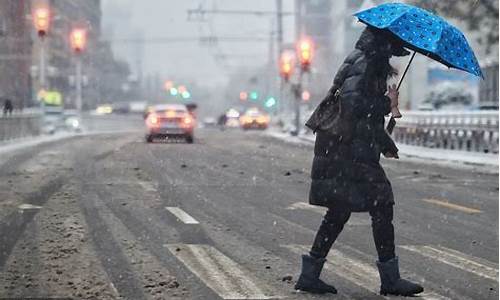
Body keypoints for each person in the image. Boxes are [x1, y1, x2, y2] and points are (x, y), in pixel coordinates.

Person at [295, 26, 424, 296]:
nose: (395, 55)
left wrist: (386, 142)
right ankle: (390, 279)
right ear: (385, 44)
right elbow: (354, 106)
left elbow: (361, 112)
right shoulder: (366, 64)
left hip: (345, 148)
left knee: (340, 210)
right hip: (348, 151)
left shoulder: (363, 60)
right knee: (382, 203)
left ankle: (310, 274)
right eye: (394, 48)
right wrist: (387, 103)